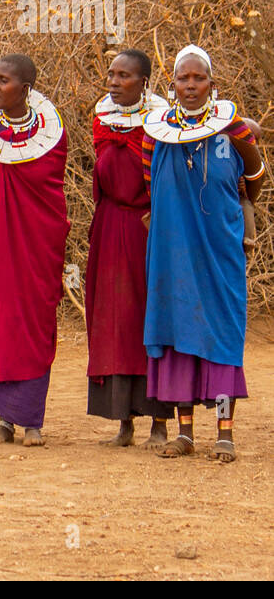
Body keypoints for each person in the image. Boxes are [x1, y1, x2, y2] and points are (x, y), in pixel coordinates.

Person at [142, 45, 263, 462]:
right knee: (178, 334)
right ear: (172, 84)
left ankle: (225, 433)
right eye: (183, 78)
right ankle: (185, 433)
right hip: (172, 249)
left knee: (222, 335)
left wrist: (237, 215)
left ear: (212, 83)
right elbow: (149, 181)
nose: (190, 86)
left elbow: (256, 178)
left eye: (199, 78)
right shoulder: (155, 131)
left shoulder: (235, 129)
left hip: (220, 248)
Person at [0, 54, 69, 446]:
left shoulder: (52, 136)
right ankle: (0, 419)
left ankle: (31, 419)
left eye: (3, 81)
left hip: (33, 245)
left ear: (25, 90)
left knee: (29, 319)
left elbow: (49, 188)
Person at [86, 49, 172, 446]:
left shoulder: (163, 123)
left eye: (124, 76)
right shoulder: (102, 118)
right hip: (108, 226)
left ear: (144, 82)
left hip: (148, 228)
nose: (114, 82)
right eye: (111, 74)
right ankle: (123, 420)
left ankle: (159, 421)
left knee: (148, 316)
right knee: (113, 320)